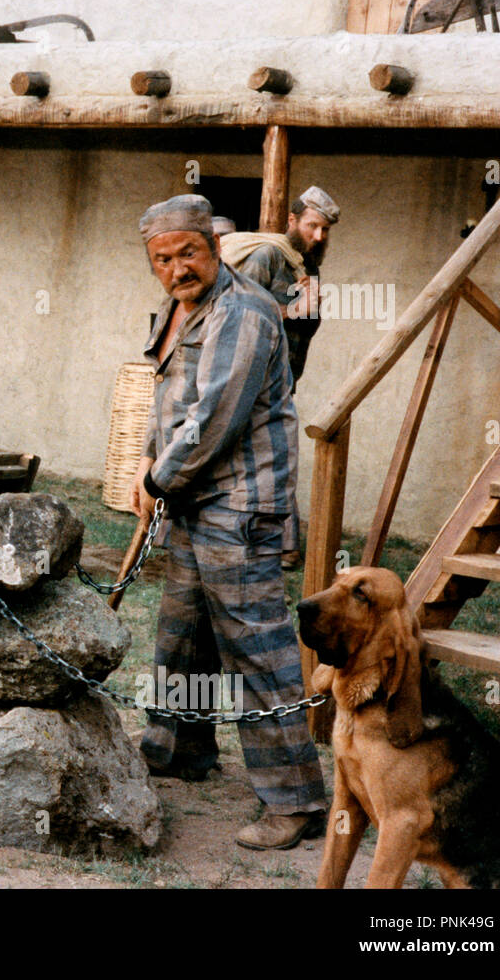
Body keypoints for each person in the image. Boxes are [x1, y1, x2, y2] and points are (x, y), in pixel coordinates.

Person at [131, 193, 327, 851]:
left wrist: (159, 477)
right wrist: (145, 465)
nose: (177, 267)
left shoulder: (242, 312)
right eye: (163, 258)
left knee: (257, 650)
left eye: (188, 252)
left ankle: (296, 801)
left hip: (241, 507)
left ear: (212, 247)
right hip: (195, 498)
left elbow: (214, 417)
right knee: (182, 632)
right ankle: (178, 745)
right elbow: (166, 399)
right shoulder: (182, 306)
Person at [220, 185, 340, 568]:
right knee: (268, 454)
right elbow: (242, 313)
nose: (318, 236)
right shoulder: (269, 256)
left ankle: (276, 545)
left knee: (273, 458)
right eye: (312, 226)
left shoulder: (308, 267)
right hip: (249, 381)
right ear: (292, 221)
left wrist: (314, 305)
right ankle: (281, 547)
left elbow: (303, 330)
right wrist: (294, 309)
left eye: (324, 230)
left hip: (283, 382)